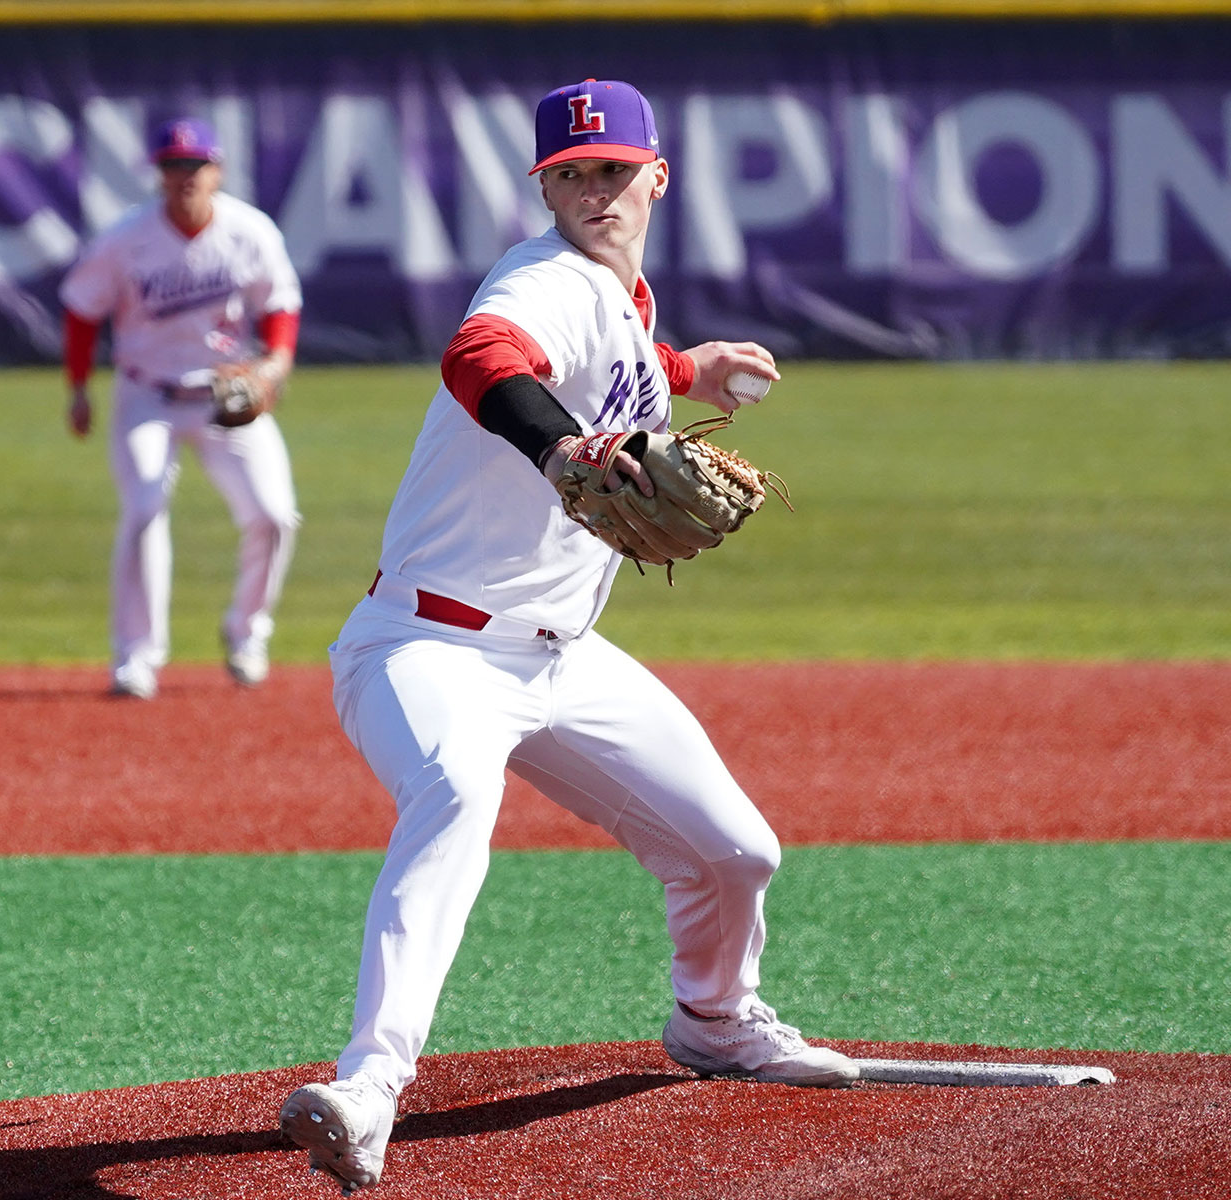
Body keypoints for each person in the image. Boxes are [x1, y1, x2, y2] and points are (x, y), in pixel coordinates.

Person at [278, 79, 857, 1196]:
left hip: (560, 656)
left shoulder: (619, 295)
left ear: (658, 177)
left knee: (739, 854)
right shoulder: (540, 278)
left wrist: (696, 370)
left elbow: (626, 357)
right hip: (427, 647)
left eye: (614, 169)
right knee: (454, 794)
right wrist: (555, 454)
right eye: (572, 175)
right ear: (545, 187)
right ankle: (369, 1088)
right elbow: (485, 358)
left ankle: (716, 1019)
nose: (595, 189)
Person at [58, 117, 303, 699]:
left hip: (229, 399)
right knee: (144, 510)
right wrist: (77, 388)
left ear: (216, 171)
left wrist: (276, 364)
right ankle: (136, 659)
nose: (184, 177)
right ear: (159, 174)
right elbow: (81, 309)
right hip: (148, 396)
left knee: (274, 516)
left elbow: (280, 304)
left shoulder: (250, 232)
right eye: (173, 166)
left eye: (195, 166)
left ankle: (247, 632)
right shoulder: (125, 239)